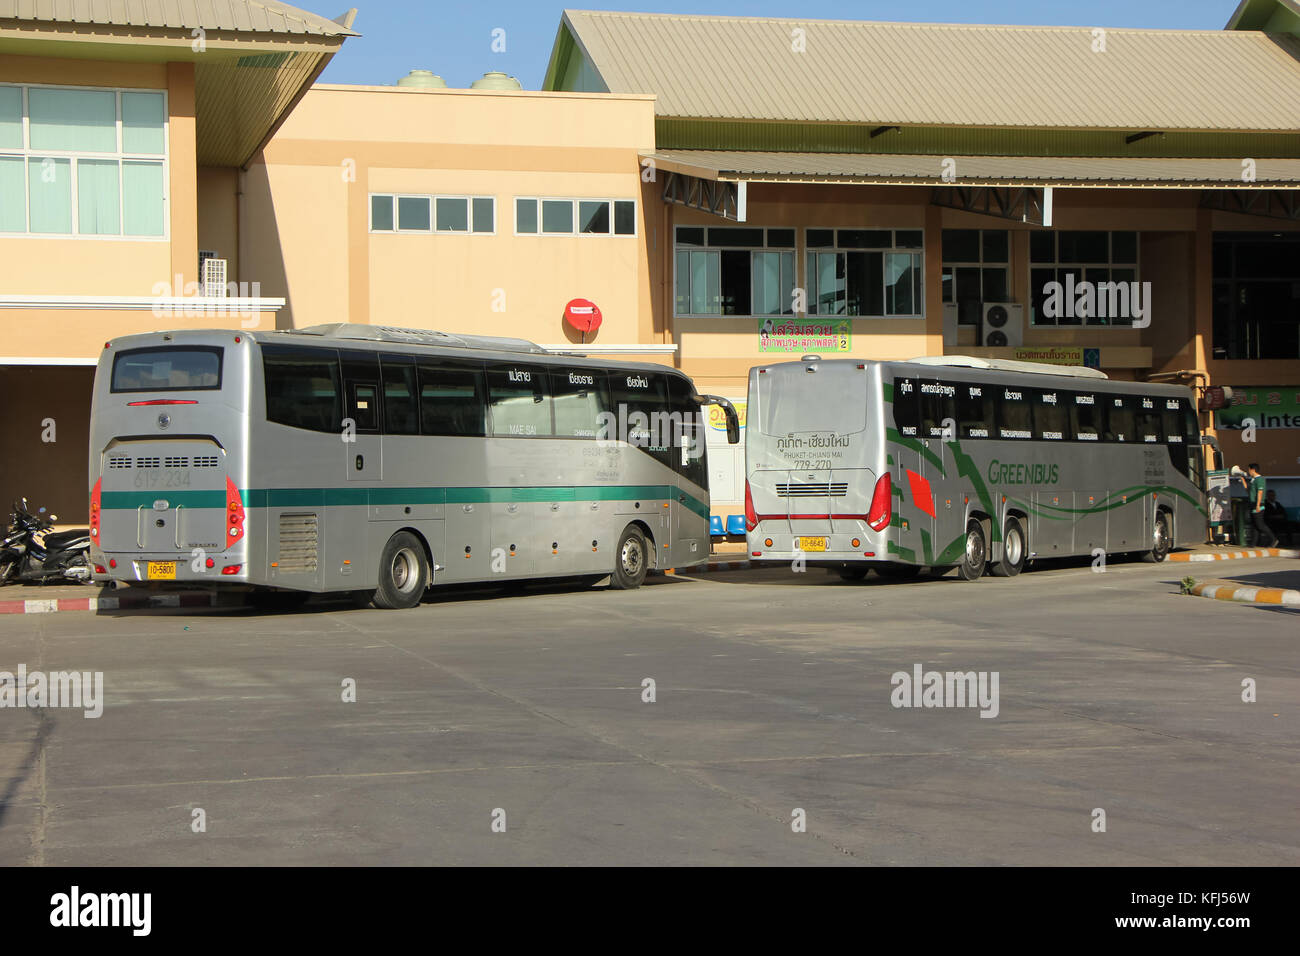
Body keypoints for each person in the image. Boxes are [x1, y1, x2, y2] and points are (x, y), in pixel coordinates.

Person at [1239, 463, 1276, 548]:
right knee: (1254, 524)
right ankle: (1253, 543)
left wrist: (1258, 505)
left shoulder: (1260, 480)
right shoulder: (1253, 480)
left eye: (1249, 469)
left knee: (1260, 524)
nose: (1248, 471)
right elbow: (1249, 491)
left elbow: (1260, 492)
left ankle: (1273, 539)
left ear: (1253, 470)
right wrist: (1243, 481)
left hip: (1258, 504)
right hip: (1253, 503)